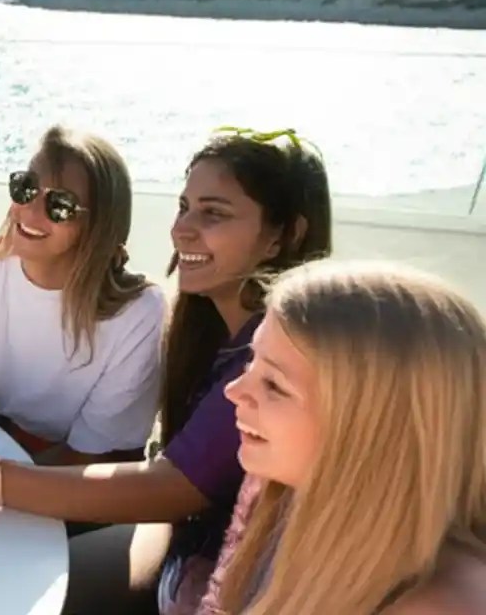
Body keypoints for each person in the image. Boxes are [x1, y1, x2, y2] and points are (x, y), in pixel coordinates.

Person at [0, 128, 333, 614]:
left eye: (213, 213)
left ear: (283, 236)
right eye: (184, 206)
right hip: (187, 544)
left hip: (219, 568)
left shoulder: (267, 354)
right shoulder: (211, 332)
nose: (182, 230)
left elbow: (171, 488)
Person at [196, 261, 486, 614]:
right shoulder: (278, 496)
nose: (234, 391)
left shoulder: (444, 604)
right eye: (250, 362)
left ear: (377, 425)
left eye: (273, 384)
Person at [0, 125, 166, 466]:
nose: (30, 211)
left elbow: (96, 456)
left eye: (60, 205)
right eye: (26, 187)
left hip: (92, 477)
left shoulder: (139, 315)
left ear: (100, 226)